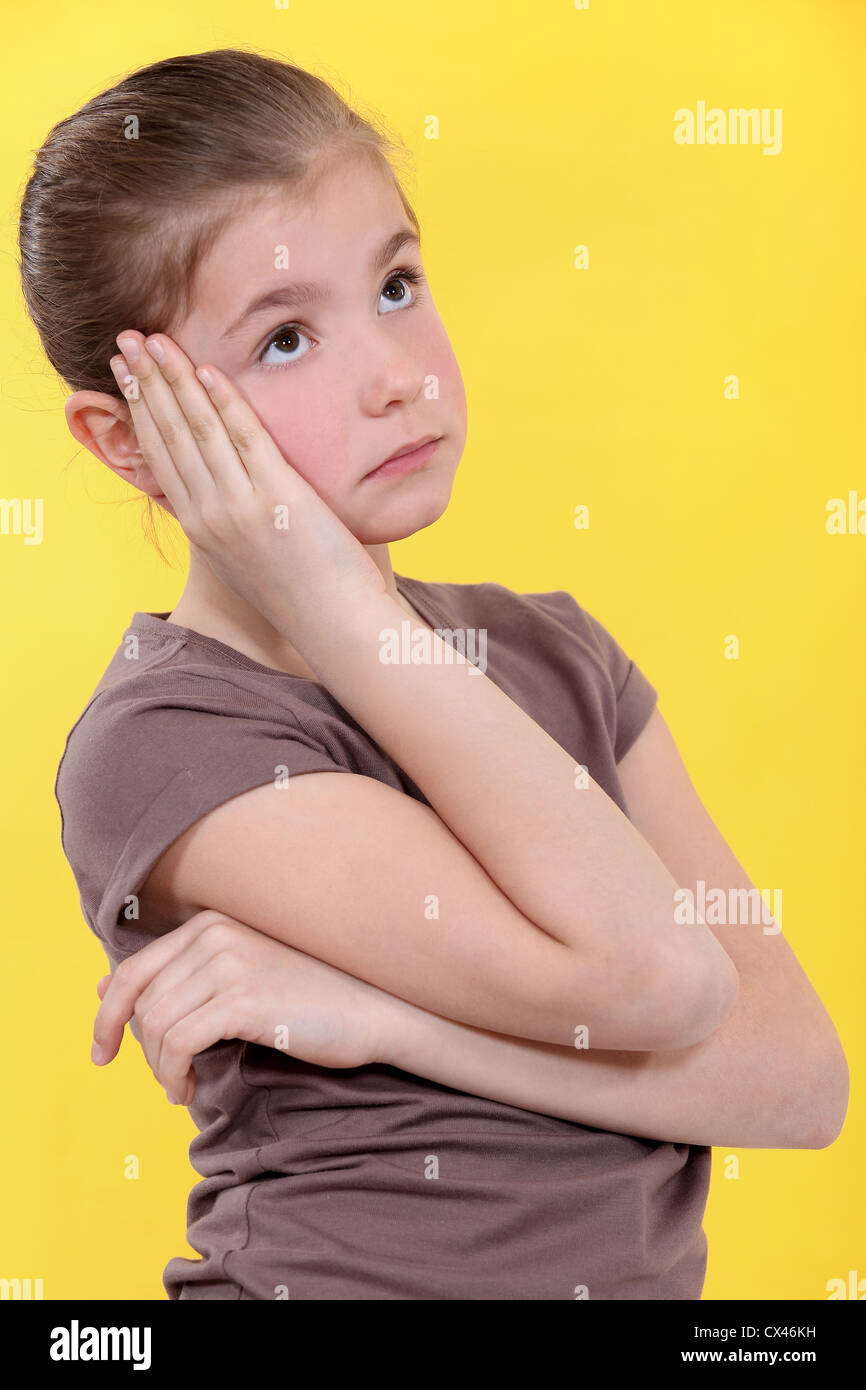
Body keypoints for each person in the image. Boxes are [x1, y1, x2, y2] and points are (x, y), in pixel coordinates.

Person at [24, 48, 847, 1301]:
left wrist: (394, 1023)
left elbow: (796, 1082)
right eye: (287, 337)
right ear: (130, 437)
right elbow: (661, 983)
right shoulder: (170, 738)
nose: (398, 373)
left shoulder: (556, 656)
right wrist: (335, 601)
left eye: (398, 283)